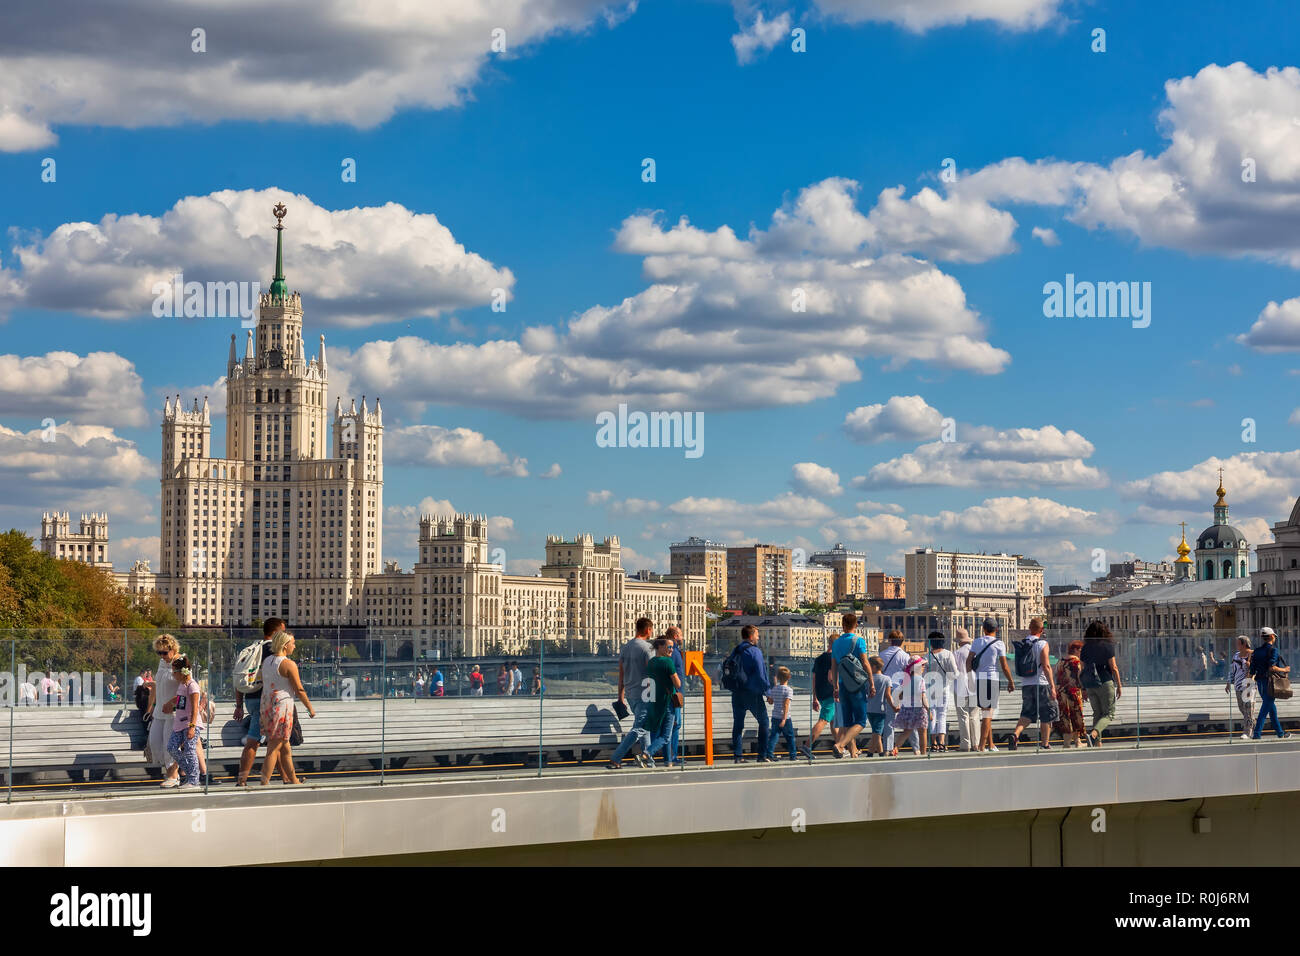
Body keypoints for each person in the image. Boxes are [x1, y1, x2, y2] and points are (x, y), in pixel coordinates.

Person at [259, 631, 317, 786]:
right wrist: (310, 708)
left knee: (285, 746)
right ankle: (263, 784)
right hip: (282, 708)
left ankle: (294, 780)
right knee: (274, 747)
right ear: (285, 645)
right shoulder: (288, 664)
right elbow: (299, 689)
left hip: (267, 705)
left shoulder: (267, 661)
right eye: (293, 642)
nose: (294, 645)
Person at [234, 618, 285, 787]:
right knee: (253, 741)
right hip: (267, 701)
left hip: (251, 698)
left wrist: (239, 705)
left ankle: (287, 777)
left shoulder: (253, 649)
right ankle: (241, 780)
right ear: (277, 633)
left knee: (275, 742)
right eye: (283, 631)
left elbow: (239, 678)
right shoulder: (273, 651)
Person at [608, 618, 657, 769]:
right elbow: (652, 674)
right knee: (640, 728)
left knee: (645, 728)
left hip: (630, 693)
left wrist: (620, 697)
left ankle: (649, 761)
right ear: (648, 630)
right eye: (651, 629)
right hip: (645, 693)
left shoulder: (626, 647)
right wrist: (655, 697)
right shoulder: (648, 649)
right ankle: (617, 757)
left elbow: (621, 674)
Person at [1007, 618, 1058, 751]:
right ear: (1042, 630)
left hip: (1026, 683)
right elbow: (1046, 666)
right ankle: (1045, 744)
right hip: (1041, 683)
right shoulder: (1042, 644)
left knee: (1027, 713)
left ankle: (1015, 734)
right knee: (1047, 714)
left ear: (1030, 628)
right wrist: (1052, 685)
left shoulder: (1024, 643)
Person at [968, 619, 1014, 753]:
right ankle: (982, 746)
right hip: (992, 680)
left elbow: (969, 660)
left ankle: (991, 744)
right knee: (988, 714)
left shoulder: (976, 642)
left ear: (983, 629)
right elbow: (1004, 666)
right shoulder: (999, 644)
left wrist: (969, 676)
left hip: (979, 679)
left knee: (986, 713)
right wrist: (1010, 681)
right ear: (997, 629)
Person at [728, 623, 771, 763]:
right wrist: (767, 692)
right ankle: (762, 755)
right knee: (764, 722)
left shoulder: (736, 650)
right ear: (751, 636)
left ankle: (738, 756)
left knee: (738, 725)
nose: (758, 638)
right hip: (752, 693)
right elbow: (761, 674)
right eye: (757, 635)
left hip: (737, 692)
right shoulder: (755, 651)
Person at [831, 613, 871, 759]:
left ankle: (853, 752)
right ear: (856, 625)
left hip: (842, 685)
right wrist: (871, 683)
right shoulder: (859, 640)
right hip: (857, 685)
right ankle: (840, 745)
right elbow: (865, 663)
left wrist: (836, 686)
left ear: (843, 625)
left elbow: (834, 665)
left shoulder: (836, 643)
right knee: (860, 721)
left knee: (847, 721)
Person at [146, 634, 183, 787]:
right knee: (154, 742)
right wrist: (151, 706)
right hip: (159, 711)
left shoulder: (181, 663)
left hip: (173, 712)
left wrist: (172, 703)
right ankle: (171, 772)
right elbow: (158, 685)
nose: (162, 656)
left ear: (173, 649)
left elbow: (187, 688)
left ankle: (173, 776)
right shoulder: (162, 663)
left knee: (170, 744)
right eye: (159, 652)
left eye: (164, 652)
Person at [1080, 620, 1122, 747]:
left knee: (1097, 714)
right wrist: (1119, 685)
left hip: (1090, 684)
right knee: (1109, 714)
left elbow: (1082, 668)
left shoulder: (1085, 647)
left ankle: (1097, 744)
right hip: (1105, 682)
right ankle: (1093, 735)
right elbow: (1113, 667)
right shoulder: (1107, 646)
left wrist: (1083, 688)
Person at [163, 656, 202, 789]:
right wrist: (170, 702)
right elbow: (180, 698)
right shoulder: (181, 685)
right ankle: (192, 773)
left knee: (190, 750)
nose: (173, 675)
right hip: (179, 724)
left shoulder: (193, 686)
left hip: (190, 724)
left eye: (174, 672)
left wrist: (192, 727)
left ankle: (194, 780)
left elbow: (195, 708)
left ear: (181, 672)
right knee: (172, 747)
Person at [643, 637, 683, 768]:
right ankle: (647, 753)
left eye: (672, 647)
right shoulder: (668, 662)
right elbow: (678, 683)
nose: (671, 649)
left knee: (660, 732)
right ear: (660, 647)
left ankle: (668, 761)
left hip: (655, 701)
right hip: (667, 702)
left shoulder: (651, 662)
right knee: (666, 736)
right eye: (669, 647)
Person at [1250, 627, 1292, 740]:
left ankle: (1280, 733)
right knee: (1266, 708)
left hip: (1260, 682)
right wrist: (1285, 670)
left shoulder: (1257, 651)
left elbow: (1252, 670)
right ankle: (1257, 734)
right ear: (1272, 636)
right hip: (1270, 682)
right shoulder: (1273, 650)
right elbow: (1272, 667)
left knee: (1270, 708)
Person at [802, 634, 837, 759]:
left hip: (821, 693)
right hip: (830, 693)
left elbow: (814, 678)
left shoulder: (819, 658)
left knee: (833, 721)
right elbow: (831, 677)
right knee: (823, 720)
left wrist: (815, 697)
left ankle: (839, 748)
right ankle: (807, 746)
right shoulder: (833, 658)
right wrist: (837, 689)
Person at [924, 631, 957, 753]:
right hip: (944, 688)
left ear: (930, 643)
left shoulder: (926, 656)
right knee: (942, 715)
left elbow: (923, 675)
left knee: (931, 715)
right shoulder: (948, 654)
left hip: (930, 689)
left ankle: (933, 743)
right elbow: (954, 673)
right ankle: (942, 743)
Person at [1052, 640, 1088, 747]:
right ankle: (1074, 742)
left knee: (1066, 717)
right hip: (1074, 692)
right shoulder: (1077, 661)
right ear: (1076, 650)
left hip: (1061, 693)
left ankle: (1072, 742)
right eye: (1081, 650)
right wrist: (1084, 690)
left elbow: (1056, 676)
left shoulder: (1061, 661)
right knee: (1076, 716)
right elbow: (1080, 677)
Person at [894, 656, 930, 755]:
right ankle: (923, 753)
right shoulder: (921, 680)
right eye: (922, 665)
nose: (924, 667)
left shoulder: (906, 679)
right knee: (923, 732)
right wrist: (929, 709)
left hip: (907, 708)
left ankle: (895, 748)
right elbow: (923, 697)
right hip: (919, 710)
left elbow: (900, 696)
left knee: (907, 731)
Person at [951, 628, 979, 752]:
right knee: (974, 715)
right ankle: (976, 744)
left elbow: (953, 672)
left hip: (961, 686)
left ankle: (965, 744)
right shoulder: (976, 652)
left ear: (959, 641)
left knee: (963, 716)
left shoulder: (956, 653)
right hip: (974, 686)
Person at [865, 656, 898, 755]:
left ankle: (881, 752)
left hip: (869, 709)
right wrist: (894, 706)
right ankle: (870, 753)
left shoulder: (868, 679)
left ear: (874, 667)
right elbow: (888, 695)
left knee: (876, 730)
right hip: (880, 709)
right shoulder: (886, 679)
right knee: (877, 732)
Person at [764, 666, 797, 761]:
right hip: (785, 718)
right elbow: (786, 705)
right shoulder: (789, 690)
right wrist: (784, 719)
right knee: (790, 737)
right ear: (789, 677)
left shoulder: (775, 688)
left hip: (775, 716)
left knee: (774, 737)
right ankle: (793, 756)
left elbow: (771, 702)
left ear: (777, 677)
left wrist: (768, 698)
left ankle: (769, 755)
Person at [1225, 635, 1255, 739]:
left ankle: (1247, 732)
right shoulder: (1236, 656)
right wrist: (1228, 682)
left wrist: (1250, 665)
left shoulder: (1252, 654)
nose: (1236, 645)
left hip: (1248, 685)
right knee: (1242, 708)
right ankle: (1253, 725)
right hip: (1238, 686)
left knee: (1248, 709)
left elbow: (1257, 669)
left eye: (1238, 643)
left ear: (1244, 644)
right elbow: (1232, 670)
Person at [665, 626, 686, 766]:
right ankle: (671, 756)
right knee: (674, 725)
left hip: (676, 693)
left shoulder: (675, 650)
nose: (683, 637)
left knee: (674, 725)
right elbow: (670, 672)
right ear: (676, 636)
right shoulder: (672, 651)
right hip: (674, 694)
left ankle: (672, 755)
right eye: (681, 634)